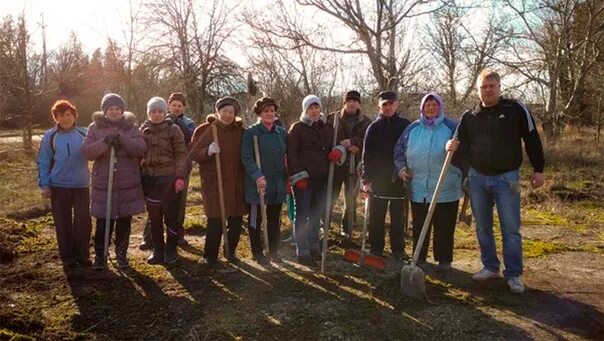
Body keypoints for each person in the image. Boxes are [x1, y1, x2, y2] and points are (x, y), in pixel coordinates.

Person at [448, 70, 545, 293]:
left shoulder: (514, 109)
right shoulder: (469, 116)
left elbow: (531, 138)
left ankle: (513, 274)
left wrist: (538, 169)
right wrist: (463, 166)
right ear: (477, 90)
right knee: (483, 227)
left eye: (492, 86)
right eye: (484, 87)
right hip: (477, 178)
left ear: (499, 87)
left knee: (510, 228)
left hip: (507, 177)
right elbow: (458, 145)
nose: (488, 90)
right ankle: (490, 266)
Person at [393, 92, 462, 271]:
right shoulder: (412, 129)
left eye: (434, 104)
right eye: (427, 105)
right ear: (422, 108)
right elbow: (399, 151)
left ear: (440, 107)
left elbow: (467, 152)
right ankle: (420, 258)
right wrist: (401, 169)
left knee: (444, 227)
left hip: (446, 188)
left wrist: (456, 148)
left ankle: (444, 261)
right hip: (419, 187)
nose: (431, 108)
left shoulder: (452, 127)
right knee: (419, 226)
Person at [81, 93, 147, 270]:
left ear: (122, 111)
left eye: (117, 108)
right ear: (105, 111)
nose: (114, 111)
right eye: (110, 108)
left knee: (125, 220)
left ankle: (121, 255)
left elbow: (140, 149)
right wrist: (105, 142)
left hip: (127, 182)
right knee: (103, 220)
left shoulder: (132, 128)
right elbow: (87, 151)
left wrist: (122, 139)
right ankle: (101, 256)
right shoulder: (95, 128)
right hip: (104, 182)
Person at [287, 95, 346, 269]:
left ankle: (314, 246)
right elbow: (291, 154)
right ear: (305, 110)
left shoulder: (327, 127)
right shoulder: (297, 129)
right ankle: (302, 250)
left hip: (322, 179)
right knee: (302, 215)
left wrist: (338, 151)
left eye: (316, 107)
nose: (314, 111)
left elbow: (337, 145)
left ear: (320, 109)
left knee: (315, 215)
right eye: (310, 108)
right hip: (304, 180)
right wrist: (298, 176)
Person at [190, 96, 247, 266]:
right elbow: (193, 152)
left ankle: (231, 252)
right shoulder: (205, 130)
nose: (228, 115)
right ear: (218, 112)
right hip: (215, 182)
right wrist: (207, 151)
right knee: (215, 220)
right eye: (224, 111)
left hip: (237, 182)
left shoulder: (241, 131)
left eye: (231, 112)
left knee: (236, 220)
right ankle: (210, 255)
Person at [37, 100, 92, 268]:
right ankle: (67, 257)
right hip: (59, 186)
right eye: (62, 115)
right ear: (56, 118)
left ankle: (83, 254)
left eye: (69, 114)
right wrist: (45, 185)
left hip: (81, 185)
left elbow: (97, 151)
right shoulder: (50, 136)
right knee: (63, 222)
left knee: (83, 221)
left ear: (75, 116)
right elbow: (43, 161)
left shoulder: (85, 133)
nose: (66, 118)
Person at [139, 92, 195, 250]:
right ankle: (154, 243)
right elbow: (138, 151)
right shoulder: (144, 129)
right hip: (151, 178)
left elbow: (184, 149)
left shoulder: (179, 126)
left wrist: (180, 176)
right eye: (153, 111)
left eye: (180, 105)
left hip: (172, 175)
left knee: (174, 211)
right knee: (154, 213)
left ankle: (174, 243)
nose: (157, 114)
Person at [361, 91, 410, 259]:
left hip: (398, 179)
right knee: (376, 217)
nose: (388, 107)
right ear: (379, 107)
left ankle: (398, 249)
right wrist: (366, 181)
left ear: (397, 104)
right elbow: (366, 156)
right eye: (384, 105)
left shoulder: (405, 125)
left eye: (391, 104)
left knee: (398, 219)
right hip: (378, 180)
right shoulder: (373, 128)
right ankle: (376, 248)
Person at [241, 96, 287, 265]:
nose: (269, 114)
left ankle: (274, 250)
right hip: (257, 183)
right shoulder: (251, 133)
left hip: (276, 183)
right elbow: (246, 157)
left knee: (274, 218)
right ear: (259, 114)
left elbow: (286, 155)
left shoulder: (281, 132)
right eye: (266, 111)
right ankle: (257, 251)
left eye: (272, 111)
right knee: (256, 219)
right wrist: (258, 176)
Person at [327, 90, 372, 237]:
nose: (352, 103)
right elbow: (326, 138)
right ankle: (325, 225)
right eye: (349, 101)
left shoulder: (366, 122)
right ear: (344, 103)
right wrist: (340, 146)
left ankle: (346, 228)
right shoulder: (332, 118)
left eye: (355, 101)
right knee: (330, 196)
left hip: (355, 165)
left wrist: (355, 143)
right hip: (335, 164)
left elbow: (369, 141)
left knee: (350, 198)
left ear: (359, 103)